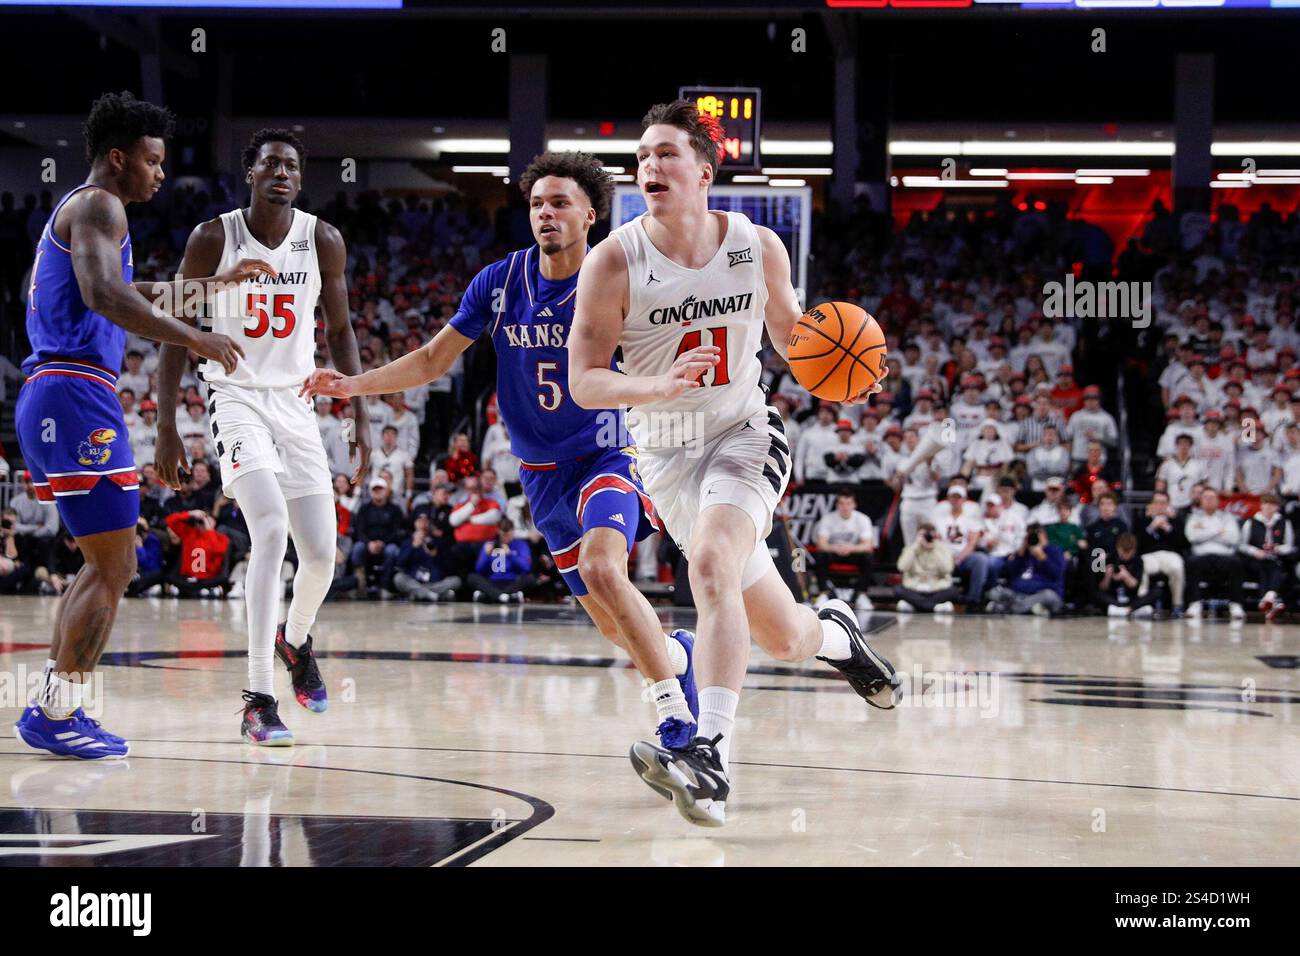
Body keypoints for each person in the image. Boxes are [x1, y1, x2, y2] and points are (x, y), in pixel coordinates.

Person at [303, 151, 701, 752]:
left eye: (560, 202)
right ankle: (677, 655)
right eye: (537, 203)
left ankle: (675, 720)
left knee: (601, 566)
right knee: (610, 622)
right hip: (541, 474)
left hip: (610, 453)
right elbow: (436, 360)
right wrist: (352, 383)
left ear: (590, 214)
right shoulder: (499, 282)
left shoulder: (618, 279)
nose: (546, 213)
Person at [568, 101, 897, 826]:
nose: (649, 167)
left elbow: (793, 341)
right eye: (642, 157)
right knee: (785, 638)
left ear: (705, 171)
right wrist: (654, 384)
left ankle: (709, 754)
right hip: (664, 453)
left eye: (666, 154)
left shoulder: (758, 244)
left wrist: (850, 373)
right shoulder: (614, 259)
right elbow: (585, 380)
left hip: (743, 432)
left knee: (711, 564)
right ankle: (837, 635)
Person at [13, 92, 252, 759]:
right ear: (118, 158)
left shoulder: (89, 215)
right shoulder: (100, 204)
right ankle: (56, 715)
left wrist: (214, 289)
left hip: (59, 394)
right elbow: (105, 297)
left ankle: (55, 708)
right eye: (151, 160)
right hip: (75, 394)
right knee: (116, 567)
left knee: (101, 565)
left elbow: (124, 290)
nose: (159, 174)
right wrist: (197, 340)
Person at [156, 128, 371, 745]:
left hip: (298, 403)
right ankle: (257, 697)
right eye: (270, 164)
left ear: (300, 180)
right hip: (237, 397)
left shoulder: (321, 239)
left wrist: (357, 416)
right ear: (249, 173)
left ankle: (294, 640)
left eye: (292, 166)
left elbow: (343, 329)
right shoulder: (212, 238)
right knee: (270, 528)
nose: (281, 172)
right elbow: (174, 323)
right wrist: (169, 424)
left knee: (323, 559)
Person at [1183, 488, 1246, 620]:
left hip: (1224, 557)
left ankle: (1236, 605)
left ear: (1218, 501)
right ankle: (1194, 603)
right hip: (1201, 557)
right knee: (1191, 562)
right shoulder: (1194, 517)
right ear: (1200, 501)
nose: (1209, 500)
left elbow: (1233, 539)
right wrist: (1219, 531)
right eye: (1206, 497)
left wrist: (1204, 532)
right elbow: (1192, 537)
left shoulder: (1228, 517)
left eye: (1212, 497)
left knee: (1237, 563)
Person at [984, 523, 1066, 616]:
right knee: (995, 593)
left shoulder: (1054, 550)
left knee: (1047, 595)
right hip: (1020, 593)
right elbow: (1010, 573)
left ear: (1043, 535)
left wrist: (1042, 557)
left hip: (1043, 593)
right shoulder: (1024, 553)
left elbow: (1057, 574)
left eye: (1035, 535)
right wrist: (1020, 554)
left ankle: (1006, 607)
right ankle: (1033, 608)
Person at [813, 492, 876, 611]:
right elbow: (821, 544)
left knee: (869, 557)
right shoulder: (828, 518)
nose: (845, 507)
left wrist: (850, 548)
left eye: (848, 503)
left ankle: (861, 594)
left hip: (853, 553)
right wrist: (835, 548)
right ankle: (823, 593)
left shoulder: (862, 519)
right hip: (834, 552)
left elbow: (868, 545)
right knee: (820, 555)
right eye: (841, 503)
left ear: (854, 505)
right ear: (837, 505)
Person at [1239, 492, 1294, 621]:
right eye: (1265, 503)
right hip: (1255, 560)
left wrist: (1277, 549)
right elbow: (1241, 545)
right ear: (1261, 506)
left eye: (1272, 504)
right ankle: (1271, 601)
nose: (1268, 507)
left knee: (1275, 567)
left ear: (1277, 507)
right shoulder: (1250, 522)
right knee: (1262, 570)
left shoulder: (1284, 522)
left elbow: (1289, 545)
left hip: (1275, 558)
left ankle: (1266, 601)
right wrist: (1255, 551)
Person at [1135, 491, 1187, 614]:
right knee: (1141, 567)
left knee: (1177, 567)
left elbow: (1183, 544)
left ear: (1168, 505)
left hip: (1170, 555)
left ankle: (1177, 604)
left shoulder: (1175, 521)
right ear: (1151, 505)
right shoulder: (1142, 520)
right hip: (1149, 556)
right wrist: (1151, 527)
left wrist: (1168, 528)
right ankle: (1141, 604)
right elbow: (1137, 544)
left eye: (1163, 503)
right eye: (1157, 503)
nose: (1159, 506)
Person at [893, 522, 960, 614]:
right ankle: (934, 606)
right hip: (915, 588)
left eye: (928, 535)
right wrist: (916, 546)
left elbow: (947, 569)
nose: (926, 538)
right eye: (923, 535)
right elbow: (902, 567)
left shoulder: (943, 549)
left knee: (954, 591)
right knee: (898, 590)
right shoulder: (911, 548)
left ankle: (915, 605)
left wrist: (934, 549)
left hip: (936, 589)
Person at [392, 513, 460, 602]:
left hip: (434, 582)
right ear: (415, 523)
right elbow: (400, 564)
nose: (423, 524)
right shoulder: (408, 542)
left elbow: (449, 567)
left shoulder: (438, 541)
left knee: (456, 581)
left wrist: (436, 555)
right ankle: (432, 595)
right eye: (420, 521)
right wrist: (413, 547)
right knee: (398, 578)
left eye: (425, 521)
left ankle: (420, 593)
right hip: (414, 580)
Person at [467, 518, 535, 603]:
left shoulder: (520, 545)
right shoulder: (490, 544)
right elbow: (479, 570)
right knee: (471, 577)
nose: (506, 537)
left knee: (530, 578)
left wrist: (510, 555)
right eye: (504, 534)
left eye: (508, 534)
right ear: (499, 531)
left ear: (513, 531)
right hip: (492, 582)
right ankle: (506, 597)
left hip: (511, 582)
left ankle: (493, 596)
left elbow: (526, 568)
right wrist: (486, 556)